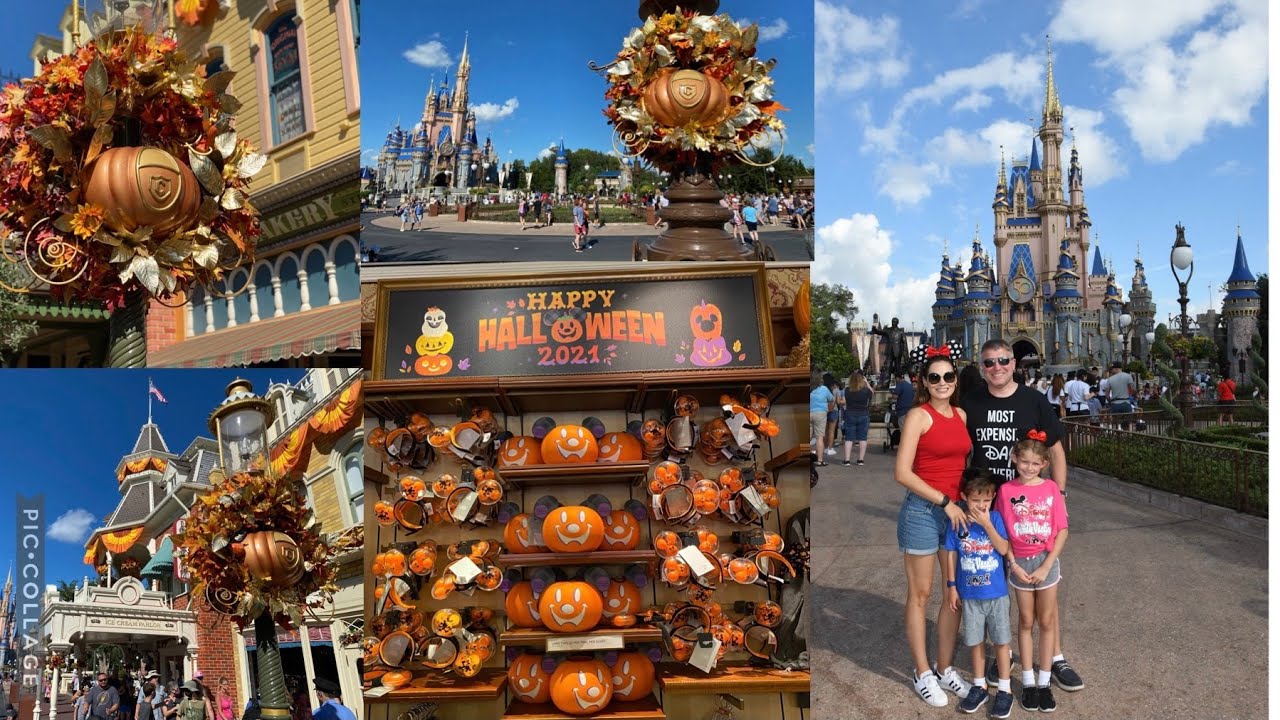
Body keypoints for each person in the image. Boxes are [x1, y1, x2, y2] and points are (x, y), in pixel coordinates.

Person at [961, 339, 1082, 693]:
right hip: (988, 510)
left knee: (1044, 589)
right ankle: (1004, 652)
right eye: (989, 363)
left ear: (1014, 363)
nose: (996, 367)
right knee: (992, 585)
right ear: (981, 367)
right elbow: (961, 453)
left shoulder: (1034, 400)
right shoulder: (970, 403)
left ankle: (1055, 657)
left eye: (1003, 361)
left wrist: (1059, 496)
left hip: (1031, 514)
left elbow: (1056, 451)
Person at [894, 349, 972, 707]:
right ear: (924, 382)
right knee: (921, 594)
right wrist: (944, 501)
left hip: (956, 514)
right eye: (935, 377)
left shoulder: (961, 414)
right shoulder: (918, 416)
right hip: (924, 512)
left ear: (955, 381)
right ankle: (922, 672)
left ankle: (944, 667)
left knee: (953, 592)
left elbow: (961, 465)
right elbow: (902, 472)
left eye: (948, 376)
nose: (942, 383)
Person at [998, 432, 1070, 713]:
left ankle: (1044, 683)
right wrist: (1013, 564)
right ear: (1015, 459)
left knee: (1047, 620)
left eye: (1035, 463)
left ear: (1044, 464)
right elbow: (1002, 533)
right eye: (1024, 461)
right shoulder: (1006, 491)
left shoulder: (1051, 489)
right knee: (1026, 620)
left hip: (1045, 562)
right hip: (1019, 563)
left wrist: (1047, 565)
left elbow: (1062, 530)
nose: (1028, 467)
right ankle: (1028, 681)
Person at [945, 468, 1015, 718]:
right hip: (970, 595)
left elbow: (1004, 548)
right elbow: (951, 554)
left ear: (993, 498)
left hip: (996, 594)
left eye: (987, 500)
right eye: (976, 500)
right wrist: (951, 586)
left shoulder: (995, 518)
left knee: (1001, 642)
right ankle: (979, 685)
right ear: (965, 497)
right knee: (975, 642)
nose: (982, 505)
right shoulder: (958, 521)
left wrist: (986, 524)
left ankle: (1005, 689)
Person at [841, 371, 873, 466]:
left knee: (849, 438)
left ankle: (847, 460)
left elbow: (845, 401)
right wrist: (867, 383)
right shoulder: (866, 390)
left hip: (850, 414)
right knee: (862, 438)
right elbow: (872, 393)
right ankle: (860, 460)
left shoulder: (847, 390)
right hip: (863, 414)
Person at [810, 374, 835, 466]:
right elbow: (831, 399)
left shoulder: (810, 389)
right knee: (819, 437)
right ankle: (819, 460)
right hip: (820, 413)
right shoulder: (824, 389)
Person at [823, 373, 842, 457]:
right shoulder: (836, 389)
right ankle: (830, 449)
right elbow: (838, 402)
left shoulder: (823, 389)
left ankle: (825, 447)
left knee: (825, 431)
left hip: (824, 411)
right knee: (831, 431)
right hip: (834, 411)